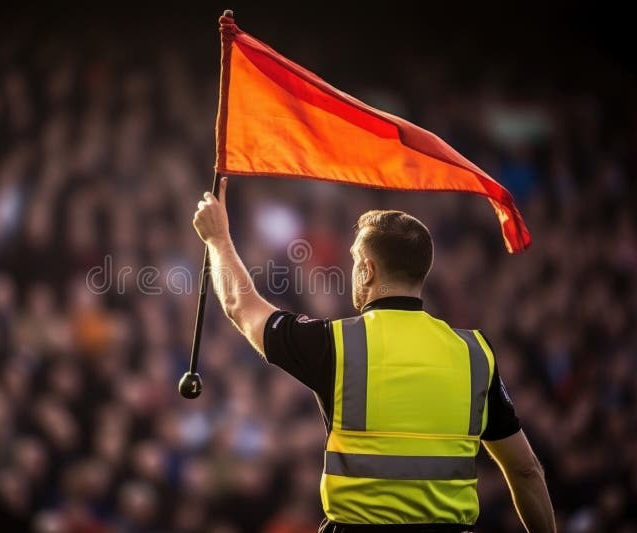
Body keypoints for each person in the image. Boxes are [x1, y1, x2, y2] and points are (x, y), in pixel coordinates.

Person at [192, 176, 556, 533]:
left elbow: (242, 306)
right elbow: (525, 470)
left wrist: (218, 239)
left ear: (367, 270)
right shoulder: (475, 354)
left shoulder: (336, 343)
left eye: (354, 262)